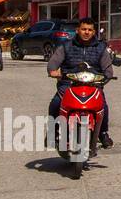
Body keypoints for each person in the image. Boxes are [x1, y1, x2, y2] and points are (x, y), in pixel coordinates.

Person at [47, 17, 115, 148]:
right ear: (77, 30)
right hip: (68, 85)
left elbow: (108, 69)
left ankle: (103, 133)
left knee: (103, 107)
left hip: (93, 85)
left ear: (94, 32)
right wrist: (53, 71)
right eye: (84, 29)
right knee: (55, 104)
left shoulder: (101, 48)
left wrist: (105, 78)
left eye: (90, 30)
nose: (86, 32)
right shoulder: (66, 46)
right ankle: (53, 131)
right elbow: (53, 64)